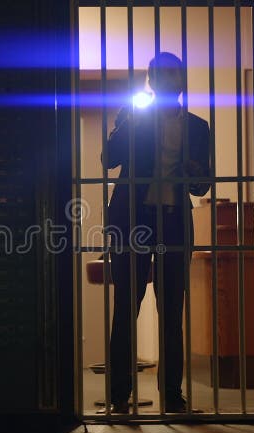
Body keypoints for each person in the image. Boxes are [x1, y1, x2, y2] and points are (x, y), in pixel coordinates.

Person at [100, 52, 211, 414]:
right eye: (160, 74)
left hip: (175, 221)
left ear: (182, 79)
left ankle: (172, 396)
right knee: (125, 306)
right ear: (151, 80)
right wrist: (126, 123)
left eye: (173, 74)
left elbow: (202, 186)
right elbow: (108, 159)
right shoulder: (134, 117)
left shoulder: (197, 127)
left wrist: (195, 171)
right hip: (134, 220)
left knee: (172, 311)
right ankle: (119, 395)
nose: (167, 80)